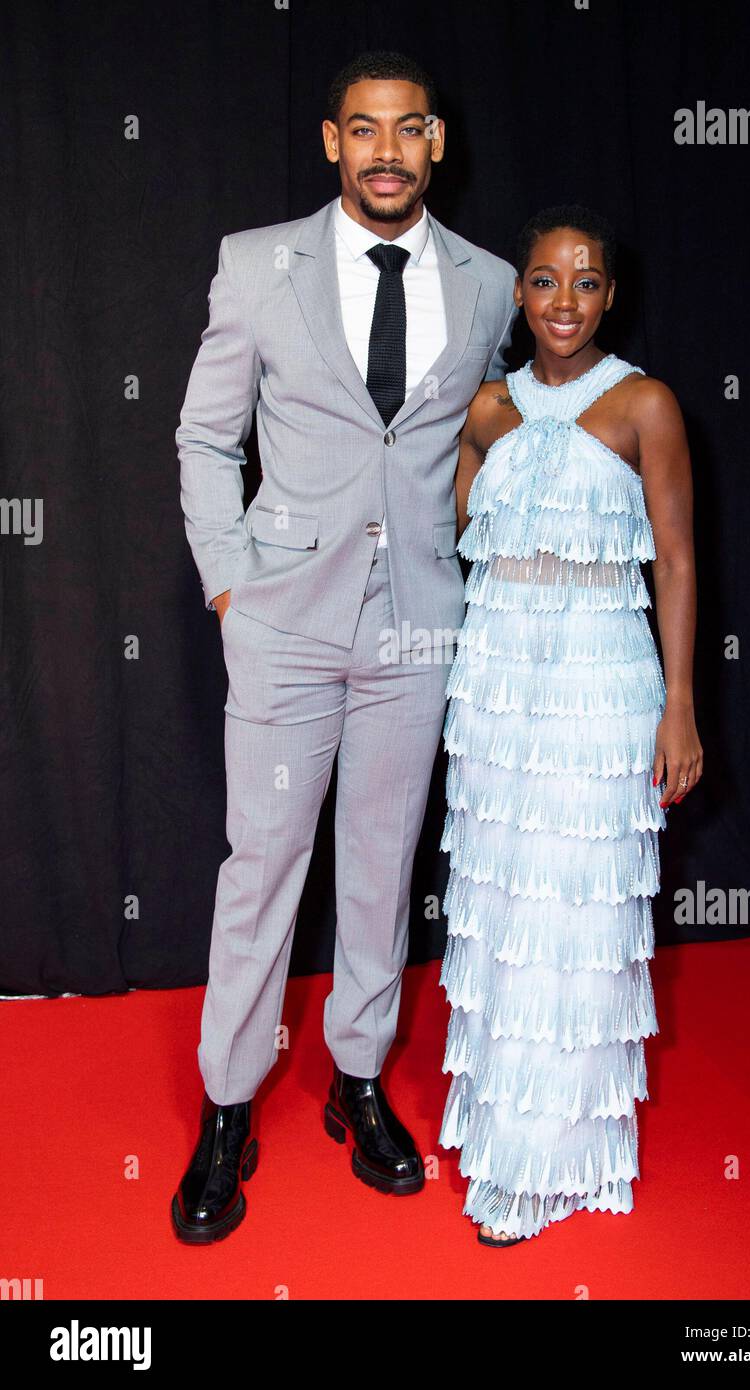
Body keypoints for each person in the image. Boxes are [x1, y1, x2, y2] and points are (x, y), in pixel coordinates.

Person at [171, 49, 519, 1243]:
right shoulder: (256, 263)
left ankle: (357, 1082)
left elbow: (493, 436)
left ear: (435, 143)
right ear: (332, 143)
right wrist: (231, 588)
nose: (384, 151)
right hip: (283, 624)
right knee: (258, 870)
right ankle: (226, 1109)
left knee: (381, 865)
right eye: (361, 129)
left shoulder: (485, 284)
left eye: (406, 129)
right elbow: (204, 440)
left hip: (419, 629)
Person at [437, 204, 702, 1245]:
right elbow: (459, 535)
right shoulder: (485, 407)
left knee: (576, 917)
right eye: (544, 281)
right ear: (518, 292)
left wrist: (678, 704)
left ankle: (554, 1163)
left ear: (608, 296)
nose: (562, 301)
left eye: (584, 283)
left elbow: (675, 560)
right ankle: (504, 1138)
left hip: (600, 684)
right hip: (499, 686)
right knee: (500, 911)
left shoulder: (644, 403)